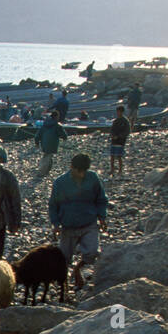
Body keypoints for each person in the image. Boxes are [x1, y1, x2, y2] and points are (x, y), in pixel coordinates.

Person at [49, 153, 109, 292]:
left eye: (84, 171)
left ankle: (77, 270)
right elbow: (53, 205)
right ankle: (64, 286)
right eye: (79, 171)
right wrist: (55, 224)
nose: (82, 174)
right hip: (68, 226)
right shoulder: (60, 182)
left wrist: (102, 217)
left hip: (89, 223)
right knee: (64, 258)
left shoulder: (93, 178)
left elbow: (101, 199)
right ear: (72, 167)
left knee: (92, 252)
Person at [33, 111, 70, 180]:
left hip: (44, 143)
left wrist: (37, 142)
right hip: (52, 143)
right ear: (56, 117)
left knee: (47, 156)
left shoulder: (45, 124)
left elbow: (38, 134)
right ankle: (41, 172)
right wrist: (65, 138)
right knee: (47, 157)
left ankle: (46, 171)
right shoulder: (56, 125)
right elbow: (63, 134)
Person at [108, 105, 130, 178]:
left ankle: (120, 170)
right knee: (112, 155)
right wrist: (112, 135)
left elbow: (127, 131)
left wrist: (119, 136)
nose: (118, 113)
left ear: (122, 112)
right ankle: (112, 169)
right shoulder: (116, 121)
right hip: (114, 140)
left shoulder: (125, 121)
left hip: (121, 141)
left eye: (119, 111)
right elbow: (112, 130)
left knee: (119, 156)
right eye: (117, 111)